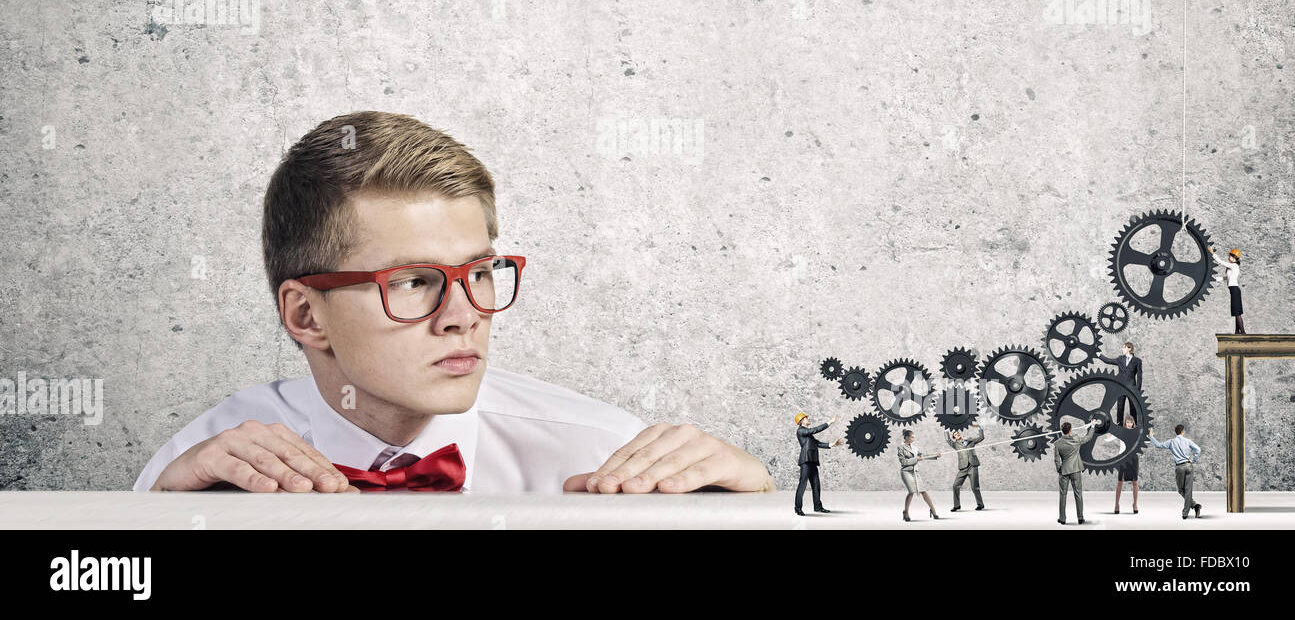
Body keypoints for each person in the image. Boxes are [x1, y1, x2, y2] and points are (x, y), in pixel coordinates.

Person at [134, 111, 775, 494]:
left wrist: (764, 519)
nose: (465, 313)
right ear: (306, 315)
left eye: (481, 271)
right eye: (413, 281)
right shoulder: (204, 470)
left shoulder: (601, 456)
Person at [794, 412, 845, 515]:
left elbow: (817, 443)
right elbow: (815, 430)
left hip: (812, 461)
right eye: (806, 418)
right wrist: (829, 422)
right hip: (805, 461)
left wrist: (832, 444)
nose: (808, 418)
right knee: (802, 484)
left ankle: (817, 506)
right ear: (802, 421)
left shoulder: (808, 434)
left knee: (816, 485)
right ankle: (798, 508)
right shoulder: (801, 431)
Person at [1148, 424, 1202, 519]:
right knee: (1188, 490)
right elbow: (1198, 449)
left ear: (1175, 432)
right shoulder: (1187, 441)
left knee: (1181, 490)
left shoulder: (1171, 442)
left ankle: (1186, 513)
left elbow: (1158, 445)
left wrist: (1151, 436)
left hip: (1179, 467)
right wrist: (1193, 460)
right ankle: (1195, 506)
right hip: (1189, 466)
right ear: (1183, 432)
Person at [1054, 419, 1097, 524]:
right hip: (1076, 470)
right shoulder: (1076, 439)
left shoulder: (1057, 443)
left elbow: (1056, 459)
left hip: (1064, 471)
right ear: (1070, 430)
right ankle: (1080, 517)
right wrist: (1092, 426)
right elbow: (1088, 437)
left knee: (1062, 495)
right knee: (1078, 494)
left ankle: (1062, 519)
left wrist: (1059, 469)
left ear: (1062, 430)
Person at [899, 429, 941, 521]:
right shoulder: (901, 448)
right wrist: (916, 459)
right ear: (906, 437)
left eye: (914, 437)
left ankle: (933, 511)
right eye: (912, 437)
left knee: (923, 491)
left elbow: (923, 455)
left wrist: (935, 456)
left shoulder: (914, 448)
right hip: (906, 472)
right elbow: (903, 462)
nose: (913, 439)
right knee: (911, 491)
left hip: (915, 472)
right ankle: (906, 512)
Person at [1096, 341, 1143, 424]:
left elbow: (1139, 376)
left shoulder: (1137, 361)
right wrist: (1099, 355)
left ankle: (1134, 426)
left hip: (1132, 388)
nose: (1122, 349)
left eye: (1123, 347)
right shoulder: (1120, 359)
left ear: (1129, 348)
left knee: (1133, 407)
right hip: (1120, 387)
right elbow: (1108, 360)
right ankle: (1119, 425)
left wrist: (1137, 390)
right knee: (1120, 407)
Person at [946, 423, 985, 511]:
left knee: (975, 487)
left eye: (958, 433)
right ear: (954, 438)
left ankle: (980, 504)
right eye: (955, 435)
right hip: (963, 468)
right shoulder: (955, 445)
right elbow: (948, 439)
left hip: (972, 466)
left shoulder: (970, 441)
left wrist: (979, 427)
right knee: (955, 485)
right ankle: (957, 505)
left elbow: (981, 438)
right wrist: (946, 429)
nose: (957, 435)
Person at [1209, 246, 1245, 334]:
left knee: (1237, 312)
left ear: (1235, 258)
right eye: (1229, 256)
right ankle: (1237, 331)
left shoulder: (1234, 266)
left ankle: (1243, 333)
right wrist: (1214, 279)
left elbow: (1221, 262)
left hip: (1235, 290)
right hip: (1233, 290)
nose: (1229, 257)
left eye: (1231, 256)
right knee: (1236, 312)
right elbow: (1226, 278)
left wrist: (1212, 253)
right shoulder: (1232, 267)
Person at [1112, 415, 1140, 514]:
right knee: (1120, 481)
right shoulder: (1121, 432)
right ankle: (1116, 504)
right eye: (1127, 422)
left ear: (1133, 424)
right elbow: (1109, 438)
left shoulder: (1136, 433)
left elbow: (1144, 440)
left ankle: (1135, 504)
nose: (1129, 424)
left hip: (1133, 459)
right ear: (1125, 423)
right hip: (1122, 458)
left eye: (1131, 422)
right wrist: (1110, 430)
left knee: (1135, 482)